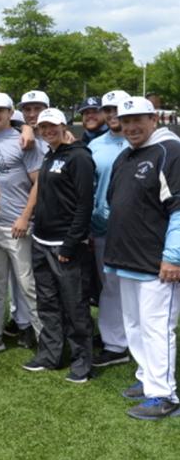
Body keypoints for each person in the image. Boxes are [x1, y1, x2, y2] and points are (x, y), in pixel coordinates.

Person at [105, 97, 180, 420]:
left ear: (153, 119)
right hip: (126, 258)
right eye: (126, 121)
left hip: (156, 262)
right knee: (134, 325)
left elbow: (178, 210)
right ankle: (148, 379)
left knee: (157, 328)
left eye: (139, 120)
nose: (132, 127)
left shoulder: (169, 152)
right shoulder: (126, 155)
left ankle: (164, 395)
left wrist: (173, 257)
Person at [22, 108, 95, 382]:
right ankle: (50, 355)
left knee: (75, 306)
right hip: (41, 241)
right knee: (48, 303)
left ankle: (82, 363)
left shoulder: (79, 157)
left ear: (64, 125)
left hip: (65, 245)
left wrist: (70, 244)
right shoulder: (50, 154)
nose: (48, 131)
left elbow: (84, 204)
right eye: (43, 127)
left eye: (52, 126)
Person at [0, 93, 43, 350]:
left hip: (18, 225)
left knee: (28, 286)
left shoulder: (24, 142)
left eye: (0, 110)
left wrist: (25, 217)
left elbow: (39, 182)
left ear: (9, 113)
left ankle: (44, 338)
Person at [89, 91, 132, 368]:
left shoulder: (143, 141)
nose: (112, 113)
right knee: (110, 287)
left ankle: (125, 338)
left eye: (117, 108)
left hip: (136, 230)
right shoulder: (95, 145)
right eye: (108, 109)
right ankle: (115, 341)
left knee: (137, 287)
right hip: (102, 228)